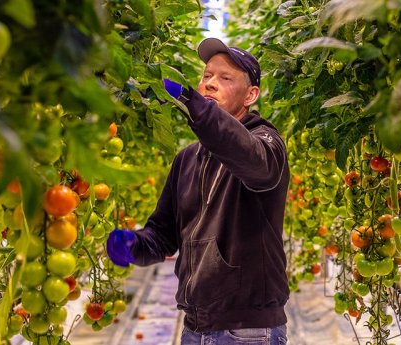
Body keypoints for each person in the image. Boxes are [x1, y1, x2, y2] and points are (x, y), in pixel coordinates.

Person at [105, 38, 290, 345]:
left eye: (225, 78)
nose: (211, 84)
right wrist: (135, 245)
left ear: (251, 95)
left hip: (249, 330)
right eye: (206, 76)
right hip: (195, 326)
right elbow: (164, 235)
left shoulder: (266, 143)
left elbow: (252, 162)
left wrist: (194, 105)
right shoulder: (188, 158)